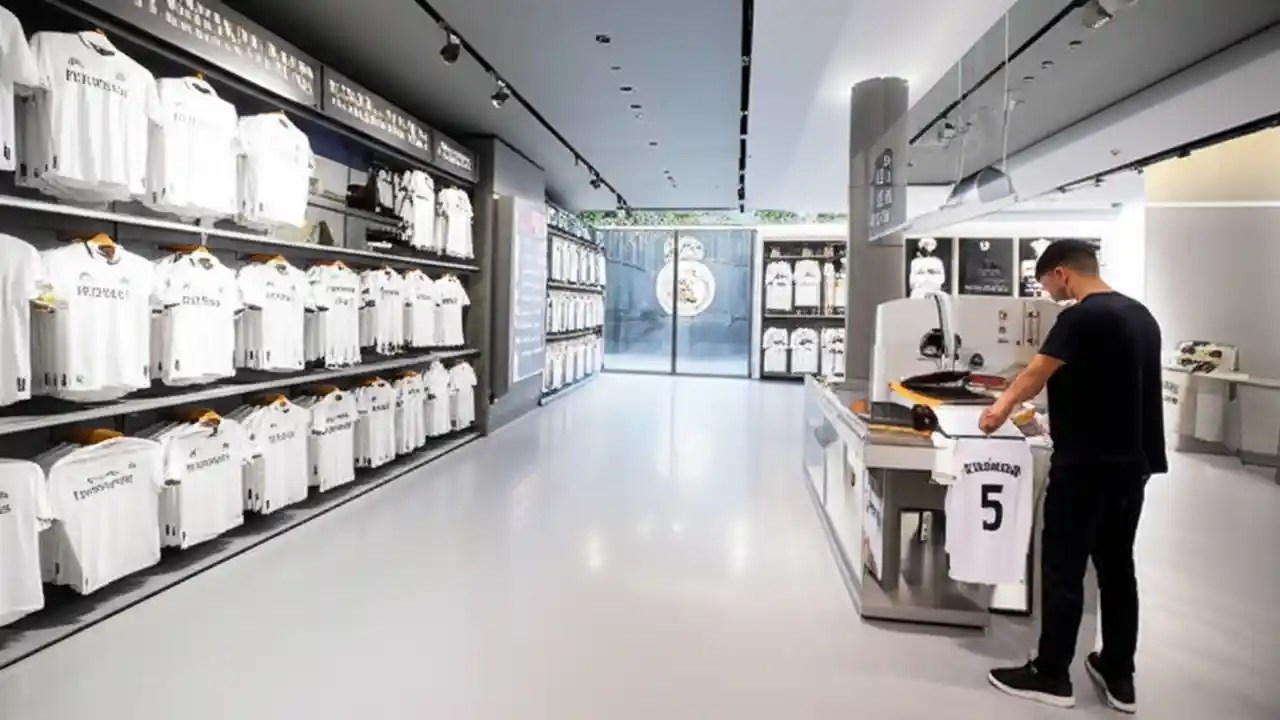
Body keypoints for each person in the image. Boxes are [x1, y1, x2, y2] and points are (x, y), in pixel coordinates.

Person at [979, 239, 1166, 713]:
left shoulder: (1080, 318)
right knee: (1117, 568)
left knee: (1063, 566)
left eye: (1046, 284)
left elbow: (1035, 374)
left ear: (1061, 273)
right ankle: (1118, 675)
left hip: (1084, 466)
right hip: (1132, 467)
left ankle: (1051, 674)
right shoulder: (1142, 316)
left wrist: (999, 410)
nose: (1048, 294)